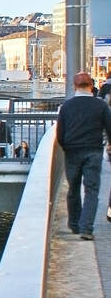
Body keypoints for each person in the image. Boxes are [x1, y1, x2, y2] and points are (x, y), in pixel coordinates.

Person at [56, 71, 111, 239]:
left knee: (73, 188)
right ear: (92, 87)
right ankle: (86, 228)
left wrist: (66, 147)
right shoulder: (100, 106)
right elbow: (110, 128)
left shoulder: (67, 106)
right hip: (93, 151)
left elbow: (60, 132)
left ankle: (74, 224)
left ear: (74, 87)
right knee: (92, 190)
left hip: (72, 151)